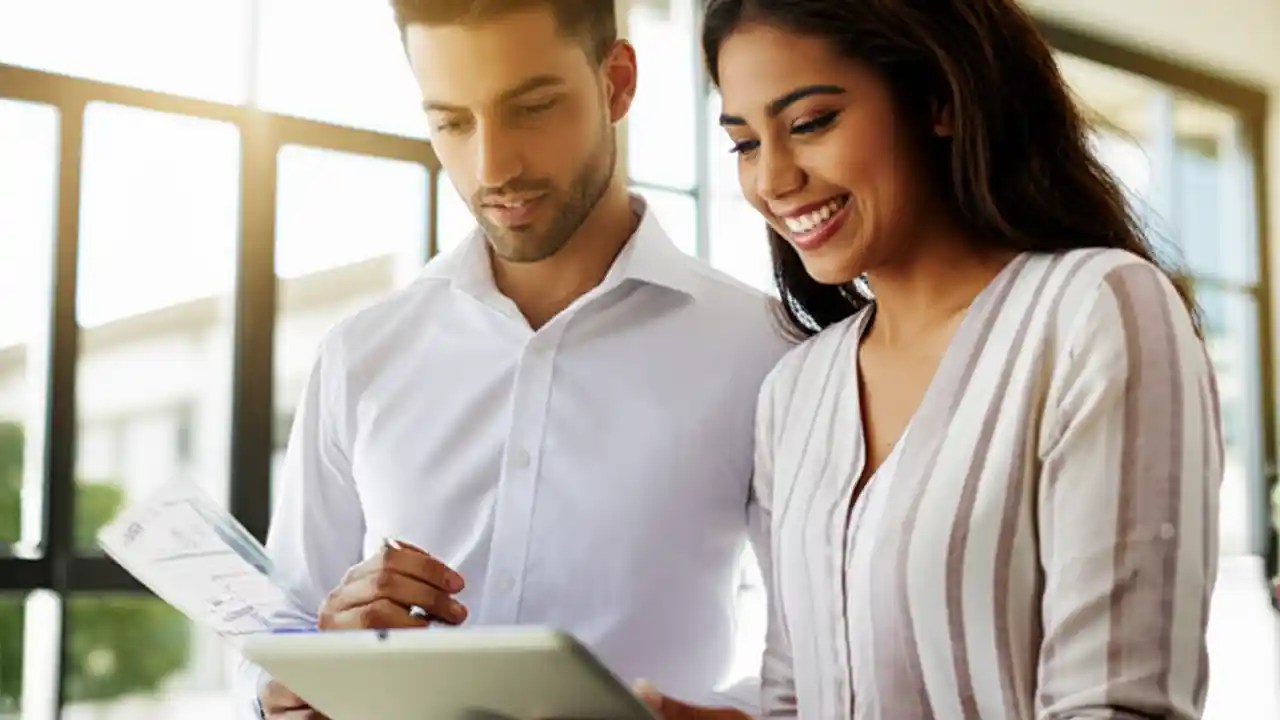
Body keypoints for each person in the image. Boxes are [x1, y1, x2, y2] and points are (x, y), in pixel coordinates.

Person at [638, 1, 1223, 718]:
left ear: (938, 100)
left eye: (810, 123)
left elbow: (1118, 703)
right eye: (745, 143)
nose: (774, 179)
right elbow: (799, 694)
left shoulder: (1093, 310)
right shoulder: (796, 389)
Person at [240, 1, 791, 718]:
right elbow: (278, 639)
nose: (492, 166)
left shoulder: (764, 350)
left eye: (531, 108)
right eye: (452, 122)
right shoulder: (360, 356)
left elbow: (815, 663)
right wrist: (294, 688)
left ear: (617, 84)